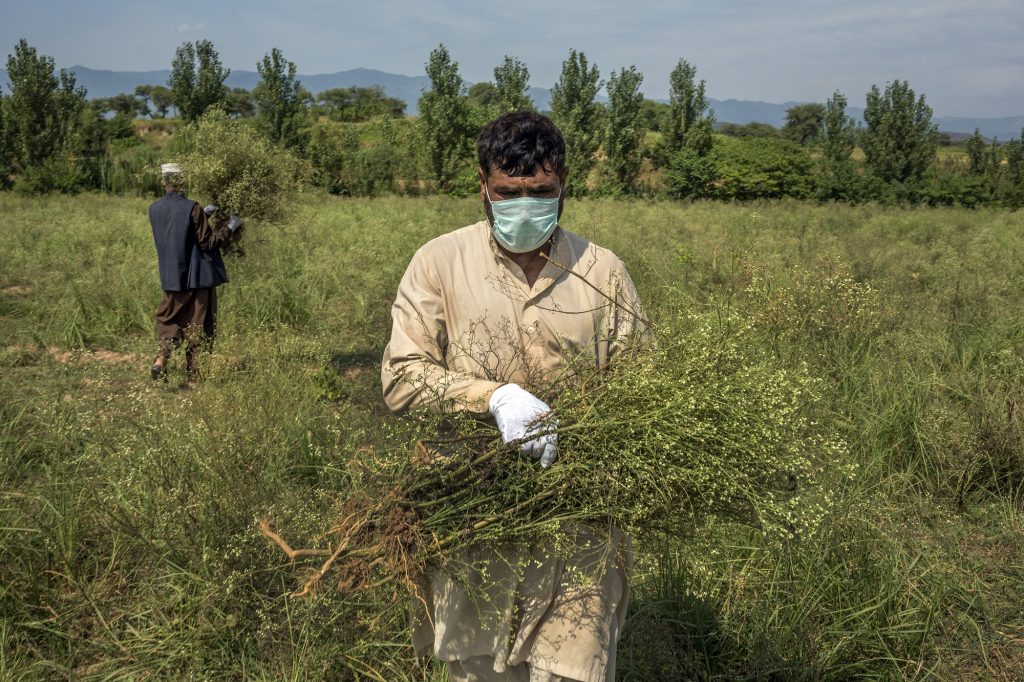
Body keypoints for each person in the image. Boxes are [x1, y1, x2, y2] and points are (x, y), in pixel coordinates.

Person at [381, 111, 645, 682]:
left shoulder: (604, 272)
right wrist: (492, 397)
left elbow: (639, 389)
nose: (525, 206)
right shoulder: (439, 263)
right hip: (472, 520)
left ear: (564, 183)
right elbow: (402, 375)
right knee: (480, 671)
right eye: (509, 192)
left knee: (572, 670)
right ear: (483, 186)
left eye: (541, 192)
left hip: (579, 528)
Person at [148, 163, 241, 383]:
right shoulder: (192, 208)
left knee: (168, 319)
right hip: (198, 278)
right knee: (198, 327)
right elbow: (207, 243)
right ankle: (193, 379)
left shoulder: (154, 208)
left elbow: (176, 232)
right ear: (182, 182)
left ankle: (161, 359)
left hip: (171, 277)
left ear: (164, 182)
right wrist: (230, 227)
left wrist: (202, 215)